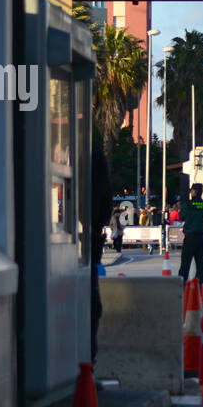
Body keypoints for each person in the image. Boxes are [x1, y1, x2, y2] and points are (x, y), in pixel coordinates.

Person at [90, 143, 112, 368]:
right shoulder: (94, 157)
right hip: (91, 242)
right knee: (92, 306)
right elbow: (106, 203)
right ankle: (89, 366)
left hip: (86, 239)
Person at [179, 182, 203, 283]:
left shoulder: (188, 204)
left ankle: (182, 287)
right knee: (200, 264)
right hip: (202, 237)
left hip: (190, 237)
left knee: (185, 263)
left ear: (194, 192)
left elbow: (182, 217)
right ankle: (199, 287)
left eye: (191, 190)